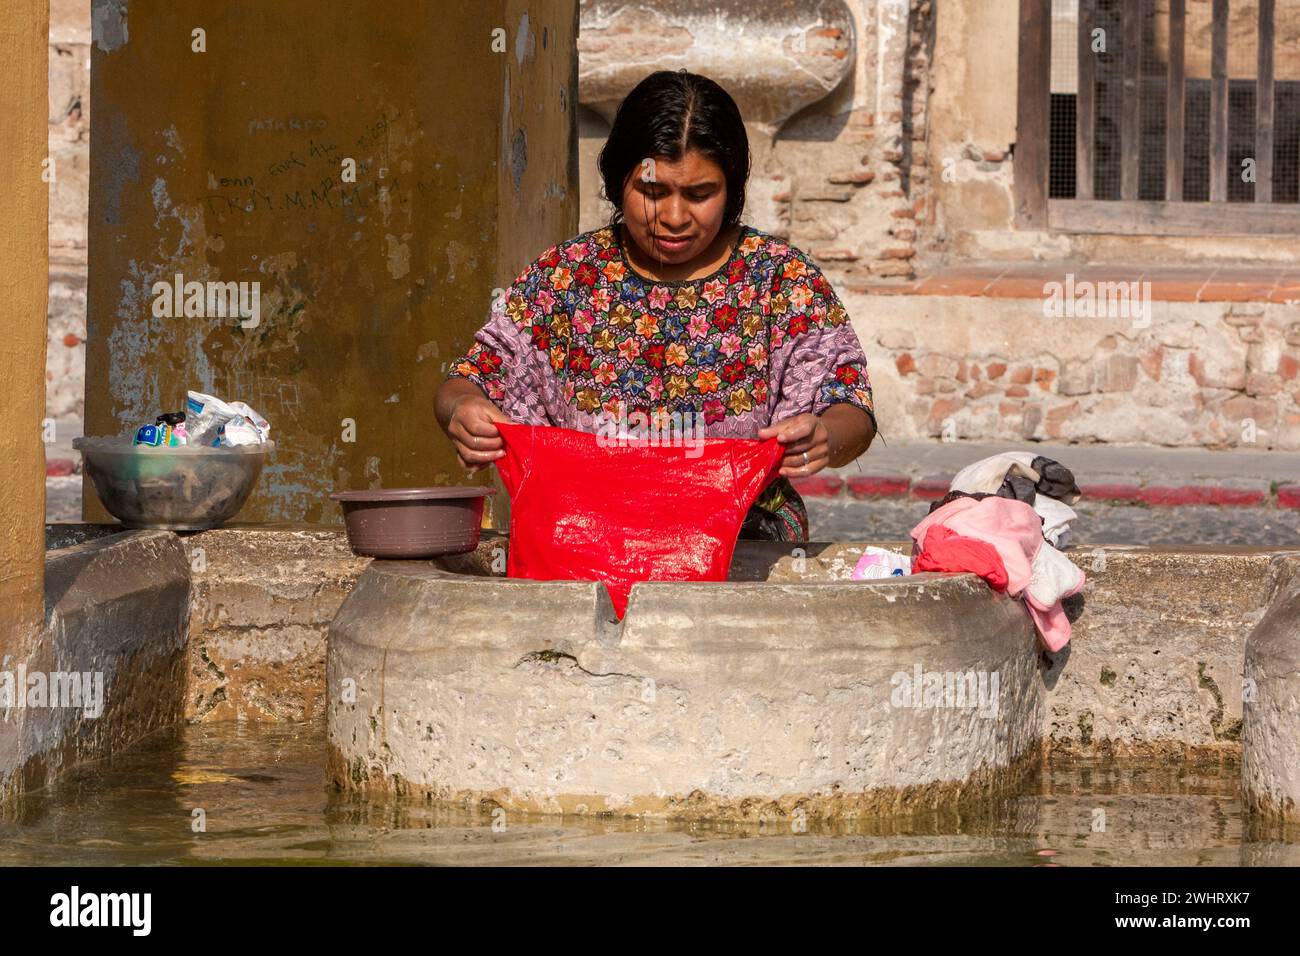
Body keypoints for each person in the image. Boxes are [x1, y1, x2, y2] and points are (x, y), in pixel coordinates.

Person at [435, 69, 877, 540]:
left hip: (740, 541)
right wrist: (464, 410)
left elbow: (850, 405)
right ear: (617, 180)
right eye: (652, 192)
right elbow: (469, 382)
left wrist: (824, 438)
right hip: (587, 538)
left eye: (700, 194)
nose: (673, 217)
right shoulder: (567, 277)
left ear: (732, 189)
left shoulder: (780, 279)